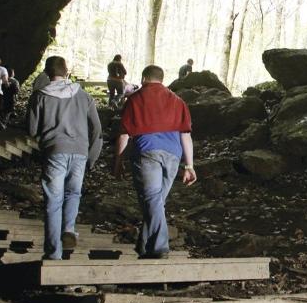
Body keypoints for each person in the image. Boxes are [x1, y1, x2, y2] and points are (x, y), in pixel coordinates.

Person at [114, 65, 197, 259]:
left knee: (152, 201)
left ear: (144, 78)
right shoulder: (178, 101)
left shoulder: (135, 99)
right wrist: (189, 165)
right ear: (162, 79)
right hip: (173, 155)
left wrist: (118, 162)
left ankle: (159, 246)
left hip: (147, 151)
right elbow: (186, 135)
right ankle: (145, 247)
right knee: (156, 203)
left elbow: (124, 135)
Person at [26, 56, 103, 261]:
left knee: (53, 200)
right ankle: (68, 228)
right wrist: (92, 155)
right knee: (73, 193)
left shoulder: (40, 96)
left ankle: (54, 252)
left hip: (55, 150)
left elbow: (32, 129)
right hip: (80, 151)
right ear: (66, 71)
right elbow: (96, 128)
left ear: (47, 73)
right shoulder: (84, 96)